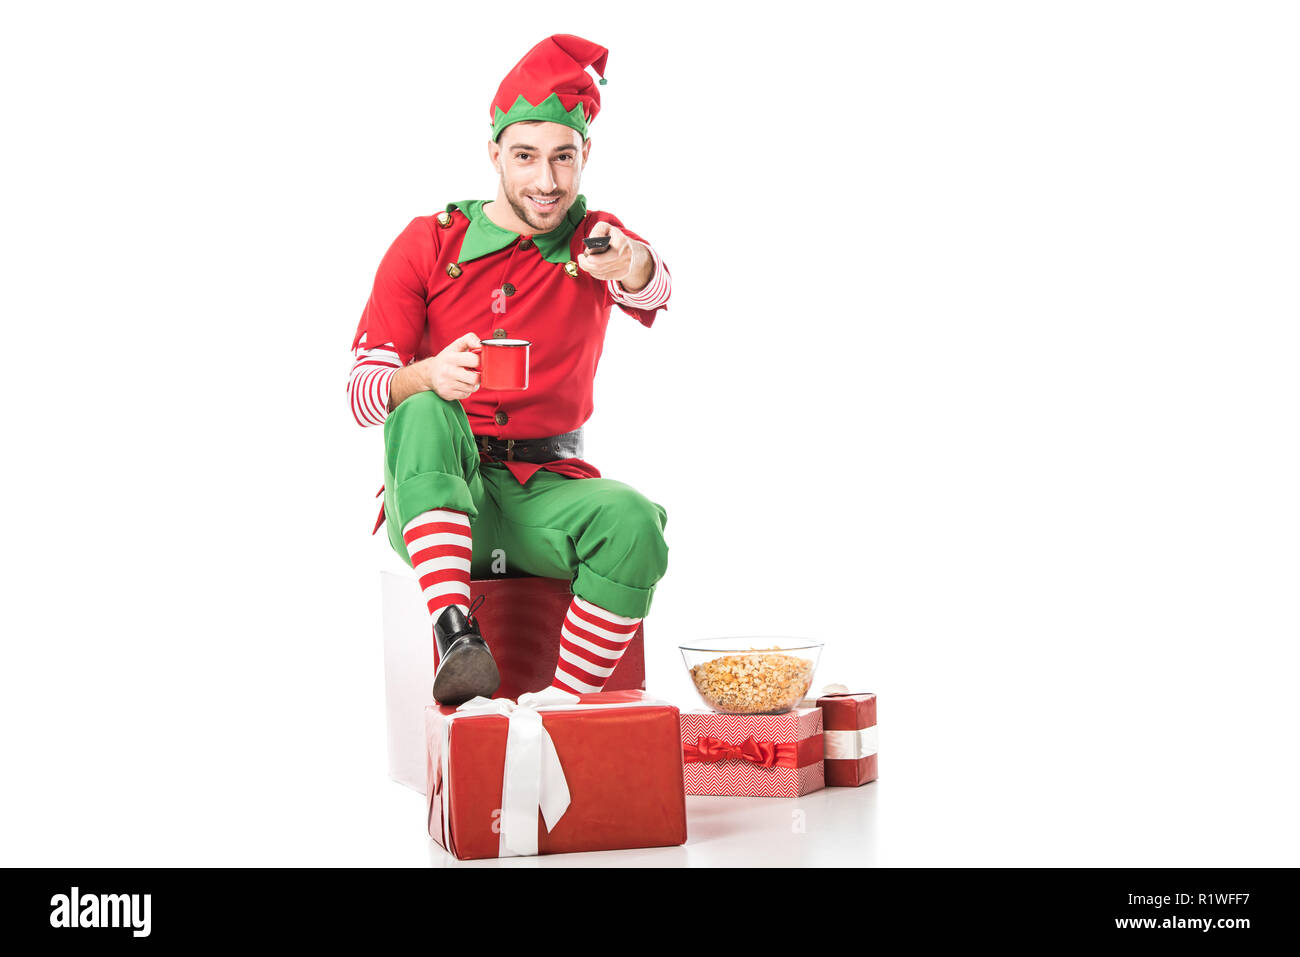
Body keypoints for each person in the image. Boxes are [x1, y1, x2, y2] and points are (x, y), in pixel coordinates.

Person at [347, 35, 671, 705]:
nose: (546, 181)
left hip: (545, 497)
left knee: (636, 520)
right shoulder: (428, 243)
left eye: (564, 157)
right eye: (525, 157)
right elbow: (361, 393)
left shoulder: (591, 238)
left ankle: (556, 711)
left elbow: (654, 284)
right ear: (494, 153)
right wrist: (427, 373)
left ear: (587, 156)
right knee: (423, 405)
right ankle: (457, 634)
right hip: (442, 493)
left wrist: (631, 262)